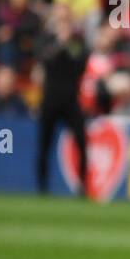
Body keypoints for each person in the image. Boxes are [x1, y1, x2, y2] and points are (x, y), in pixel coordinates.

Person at [36, 17, 90, 196]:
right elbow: (45, 60)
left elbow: (80, 65)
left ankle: (82, 184)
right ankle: (42, 186)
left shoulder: (76, 46)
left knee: (82, 140)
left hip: (70, 100)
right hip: (50, 99)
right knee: (44, 143)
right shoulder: (47, 42)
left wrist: (66, 46)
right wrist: (60, 44)